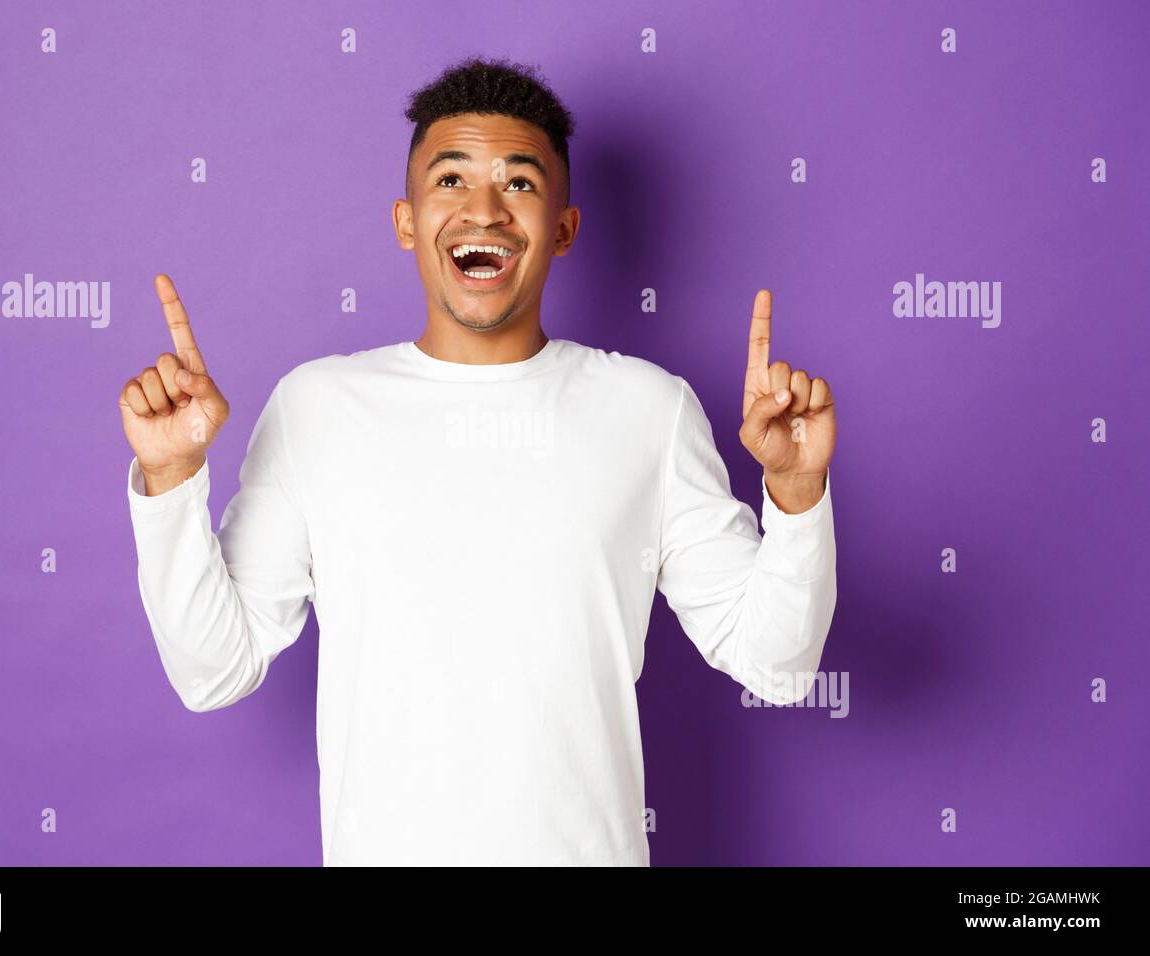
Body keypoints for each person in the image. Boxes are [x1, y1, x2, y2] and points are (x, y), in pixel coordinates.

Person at [117, 57, 837, 866]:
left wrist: (798, 490)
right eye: (451, 179)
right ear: (406, 219)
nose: (484, 210)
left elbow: (775, 664)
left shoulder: (649, 410)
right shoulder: (315, 408)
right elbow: (213, 670)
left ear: (564, 228)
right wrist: (174, 478)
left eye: (520, 185)